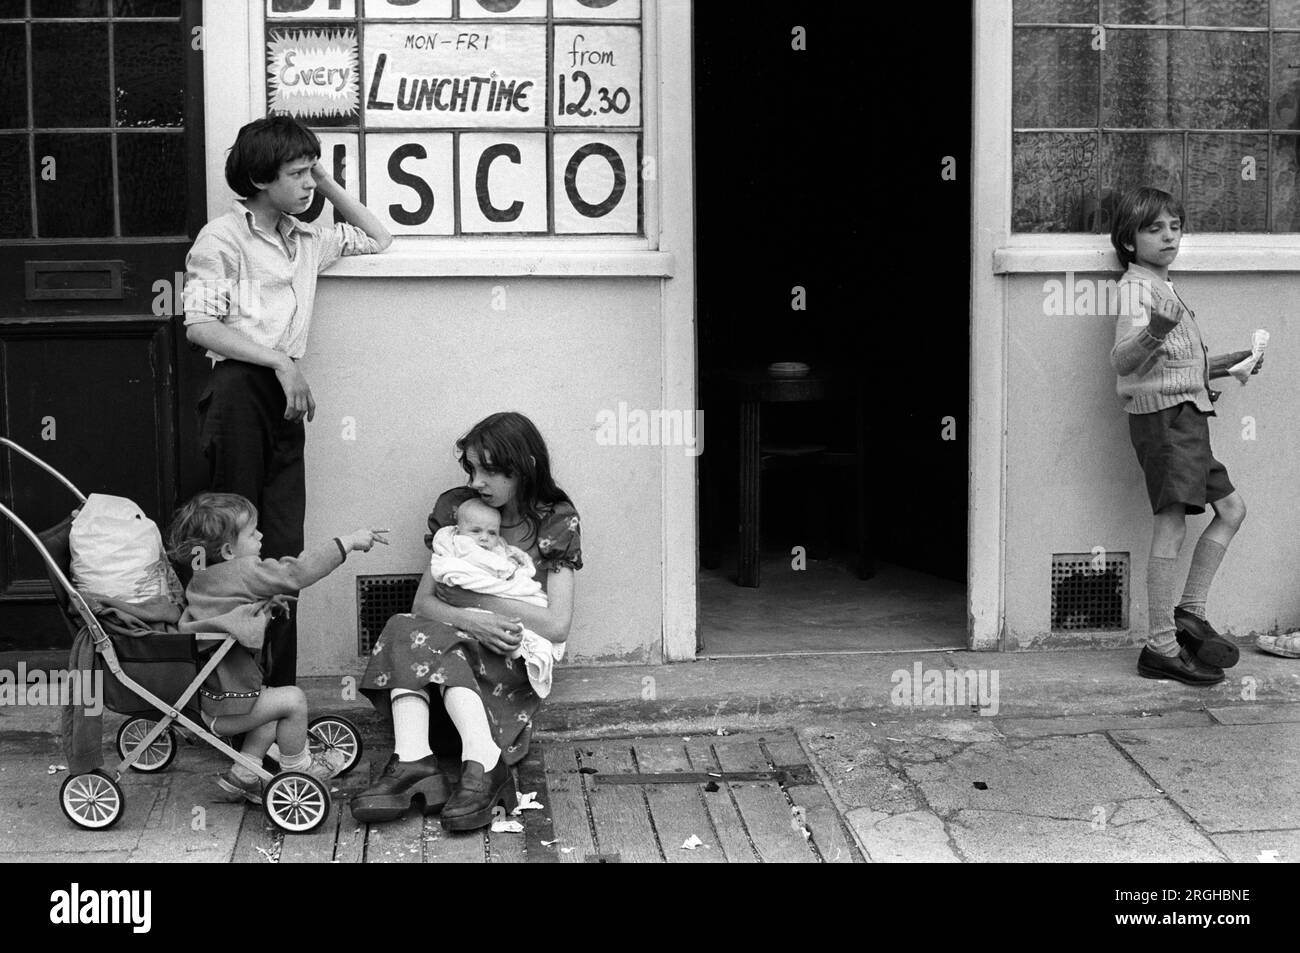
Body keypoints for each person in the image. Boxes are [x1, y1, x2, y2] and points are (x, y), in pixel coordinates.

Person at [182, 115, 392, 690]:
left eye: (311, 172)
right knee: (234, 549)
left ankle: (280, 696)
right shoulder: (221, 239)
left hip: (285, 403)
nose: (308, 183)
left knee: (283, 546)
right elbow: (199, 325)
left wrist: (323, 181)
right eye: (296, 173)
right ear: (259, 177)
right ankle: (231, 696)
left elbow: (379, 236)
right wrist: (278, 360)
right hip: (239, 394)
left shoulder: (308, 240)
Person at [353, 412, 582, 831]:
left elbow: (556, 625)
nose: (477, 481)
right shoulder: (456, 509)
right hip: (457, 641)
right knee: (403, 624)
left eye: (490, 470)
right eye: (472, 468)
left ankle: (477, 760)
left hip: (508, 652)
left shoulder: (555, 519)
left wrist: (478, 604)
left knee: (438, 639)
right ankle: (416, 761)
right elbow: (424, 603)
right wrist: (469, 621)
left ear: (525, 466)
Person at [1109, 187, 1263, 686]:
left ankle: (1190, 613)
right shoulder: (1137, 289)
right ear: (1130, 242)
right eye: (1154, 228)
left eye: (1174, 225)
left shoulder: (1164, 286)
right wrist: (1154, 328)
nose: (1169, 235)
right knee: (1172, 523)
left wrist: (1224, 364)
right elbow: (1124, 362)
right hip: (1165, 421)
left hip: (1188, 417)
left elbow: (1176, 366)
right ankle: (1160, 645)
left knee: (1232, 510)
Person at [167, 491, 389, 802]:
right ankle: (299, 770)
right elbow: (296, 572)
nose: (261, 535)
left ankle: (242, 774)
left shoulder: (204, 577)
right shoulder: (246, 572)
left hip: (212, 701)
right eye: (252, 532)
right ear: (230, 550)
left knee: (272, 712)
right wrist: (348, 541)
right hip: (226, 708)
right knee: (294, 700)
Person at [430, 497, 562, 698]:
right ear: (458, 530)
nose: (484, 538)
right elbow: (426, 598)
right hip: (465, 623)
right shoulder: (457, 544)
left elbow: (556, 626)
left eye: (492, 533)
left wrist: (473, 599)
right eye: (475, 531)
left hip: (499, 624)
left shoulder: (502, 549)